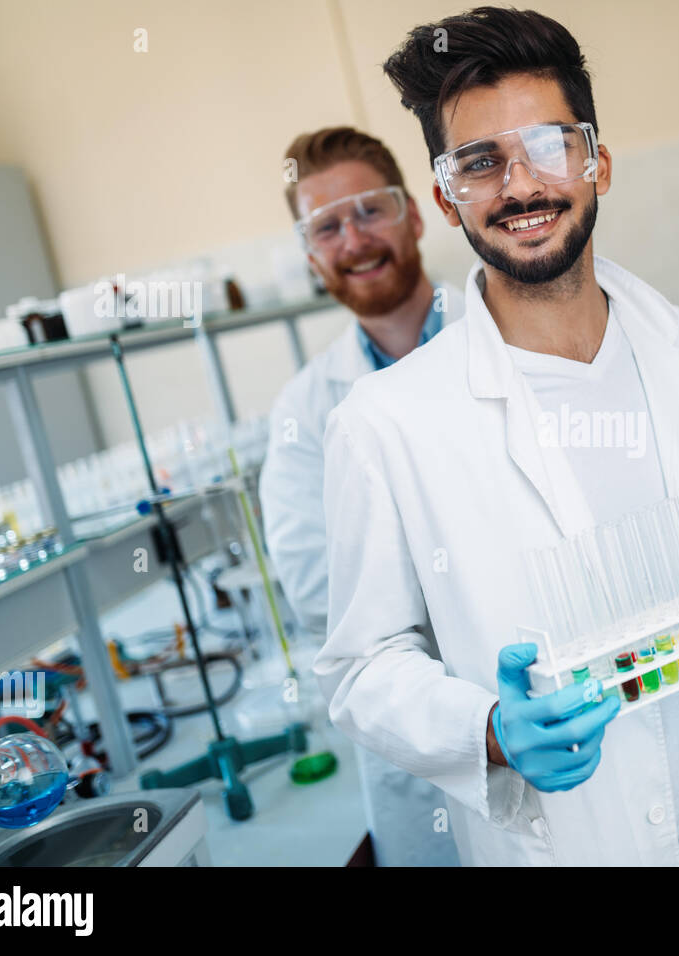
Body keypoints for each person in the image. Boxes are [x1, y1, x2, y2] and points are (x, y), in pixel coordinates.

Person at [313, 6, 679, 867]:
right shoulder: (386, 424)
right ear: (445, 196)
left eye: (549, 145)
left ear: (597, 159)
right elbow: (360, 666)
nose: (521, 185)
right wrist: (488, 730)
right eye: (481, 162)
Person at [259, 127, 464, 866]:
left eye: (369, 211)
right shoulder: (304, 414)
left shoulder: (508, 331)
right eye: (327, 226)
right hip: (420, 743)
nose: (354, 239)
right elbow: (324, 598)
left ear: (414, 213)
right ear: (312, 256)